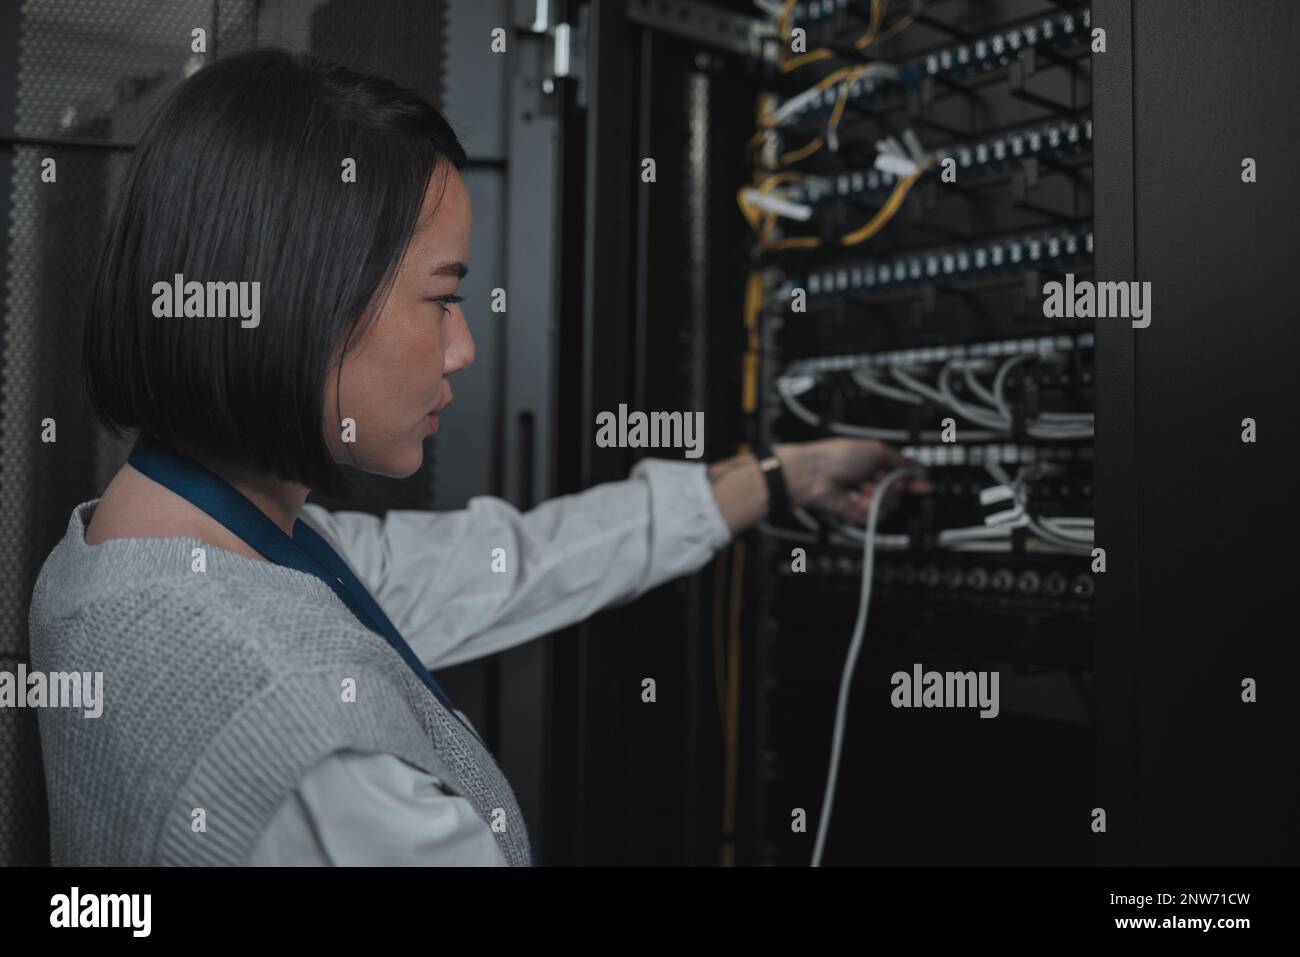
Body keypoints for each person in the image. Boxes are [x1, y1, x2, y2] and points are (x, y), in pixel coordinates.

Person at [28, 47, 927, 866]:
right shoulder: (311, 741)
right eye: (440, 298)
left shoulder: (135, 554)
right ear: (303, 301)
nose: (461, 348)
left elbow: (510, 564)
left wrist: (779, 477)